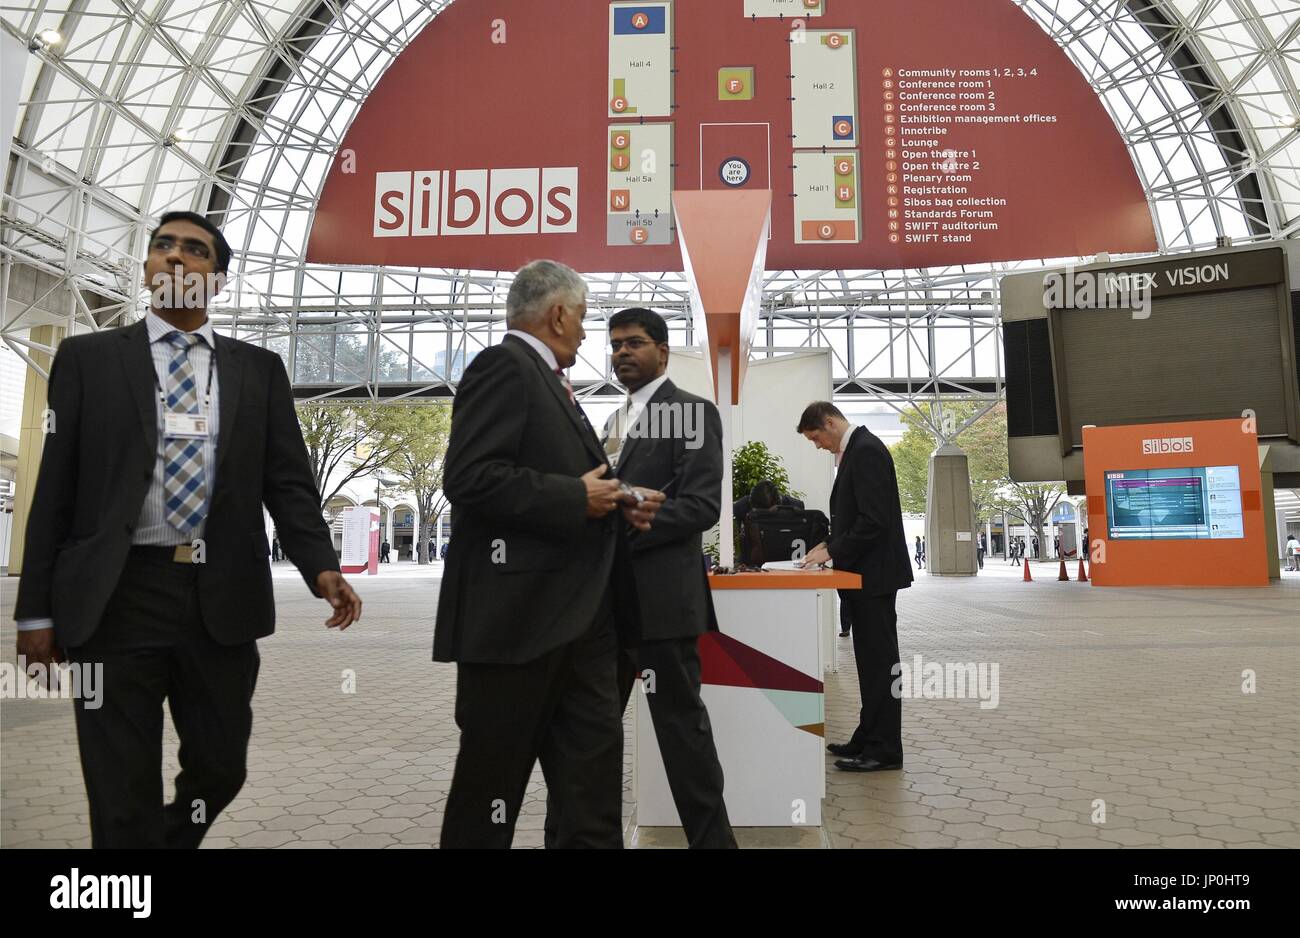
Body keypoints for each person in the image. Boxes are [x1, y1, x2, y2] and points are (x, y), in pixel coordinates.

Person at [12, 210, 362, 849]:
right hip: (115, 598)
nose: (176, 257)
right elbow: (54, 489)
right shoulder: (87, 359)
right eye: (163, 246)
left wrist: (321, 565)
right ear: (146, 268)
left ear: (219, 280)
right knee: (119, 791)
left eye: (195, 250)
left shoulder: (257, 371)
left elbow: (287, 482)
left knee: (221, 766)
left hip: (219, 599)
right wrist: (33, 613)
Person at [433, 260, 663, 849]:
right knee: (489, 795)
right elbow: (469, 477)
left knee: (590, 798)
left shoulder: (549, 383)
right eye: (583, 318)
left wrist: (617, 499)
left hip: (584, 628)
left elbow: (553, 474)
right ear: (558, 313)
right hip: (517, 628)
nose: (587, 334)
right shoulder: (503, 367)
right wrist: (574, 496)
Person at [545, 306, 735, 849]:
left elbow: (700, 506)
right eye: (615, 345)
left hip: (662, 604)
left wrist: (638, 512)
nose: (622, 353)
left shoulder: (693, 413)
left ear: (663, 351)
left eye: (634, 343)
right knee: (587, 735)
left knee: (682, 735)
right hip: (601, 608)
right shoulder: (611, 421)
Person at [796, 402, 913, 772]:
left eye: (817, 438)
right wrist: (827, 544)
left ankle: (884, 749)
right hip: (865, 576)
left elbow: (873, 520)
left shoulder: (865, 451)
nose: (818, 446)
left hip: (874, 577)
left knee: (880, 664)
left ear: (829, 422)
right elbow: (855, 515)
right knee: (869, 662)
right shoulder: (859, 450)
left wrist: (832, 549)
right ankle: (868, 735)